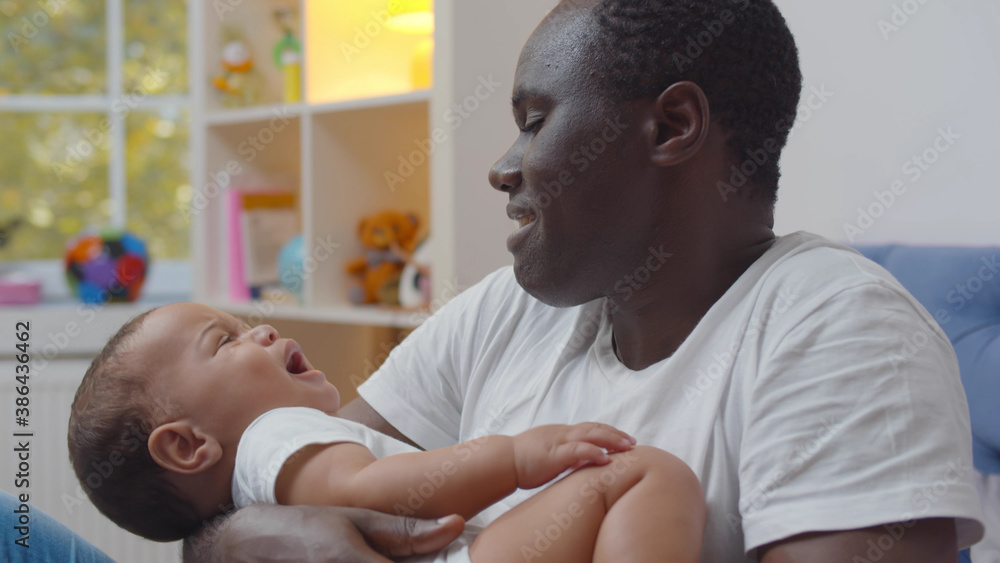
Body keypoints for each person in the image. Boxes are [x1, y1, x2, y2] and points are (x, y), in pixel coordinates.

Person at [189, 0, 986, 560]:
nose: (502, 168)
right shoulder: (508, 310)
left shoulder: (843, 333)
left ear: (673, 127)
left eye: (535, 121)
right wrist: (233, 540)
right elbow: (295, 470)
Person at [67, 302, 706, 562]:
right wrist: (513, 457)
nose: (259, 331)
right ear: (186, 445)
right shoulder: (273, 435)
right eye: (224, 341)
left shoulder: (261, 485)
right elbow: (376, 488)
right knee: (640, 474)